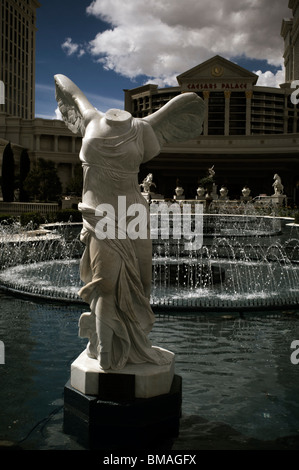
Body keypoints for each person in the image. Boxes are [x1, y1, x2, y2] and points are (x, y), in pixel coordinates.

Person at [55, 74, 205, 370]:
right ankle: (107, 354)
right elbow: (63, 82)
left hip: (133, 212)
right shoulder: (90, 119)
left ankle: (133, 341)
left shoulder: (142, 130)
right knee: (106, 284)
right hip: (102, 214)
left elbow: (191, 106)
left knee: (143, 283)